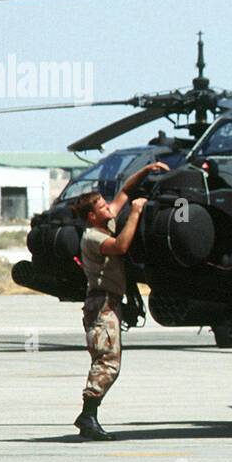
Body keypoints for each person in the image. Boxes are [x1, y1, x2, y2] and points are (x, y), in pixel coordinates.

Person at [68, 161, 170, 440]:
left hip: (109, 302)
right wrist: (136, 212)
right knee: (107, 362)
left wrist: (147, 170)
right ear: (91, 216)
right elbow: (121, 246)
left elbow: (124, 191)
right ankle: (88, 415)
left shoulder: (104, 222)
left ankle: (89, 415)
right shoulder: (93, 236)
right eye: (102, 207)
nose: (108, 208)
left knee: (108, 361)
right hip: (101, 305)